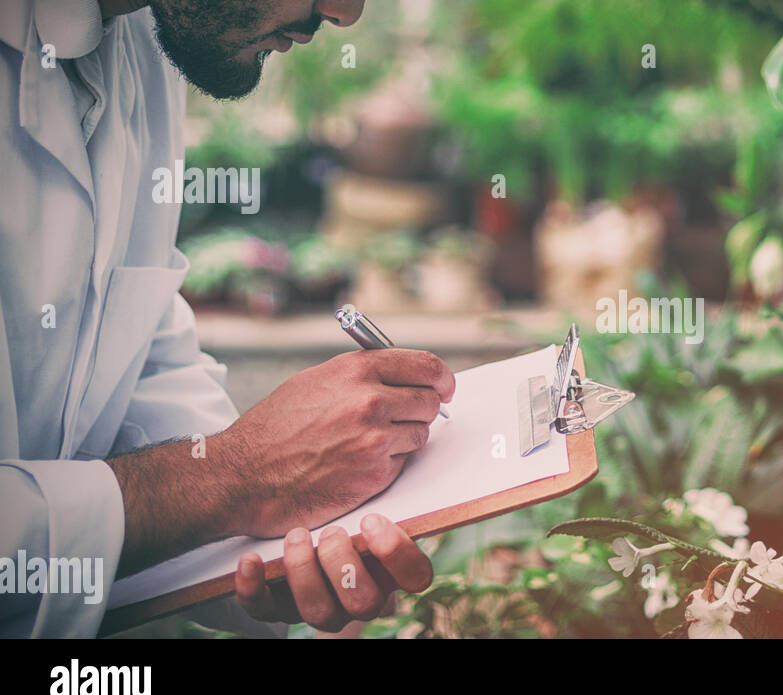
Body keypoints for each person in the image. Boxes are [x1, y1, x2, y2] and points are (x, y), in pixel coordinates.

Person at [0, 0, 449, 637]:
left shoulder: (141, 48)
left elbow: (137, 364)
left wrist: (283, 537)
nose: (346, 13)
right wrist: (236, 477)